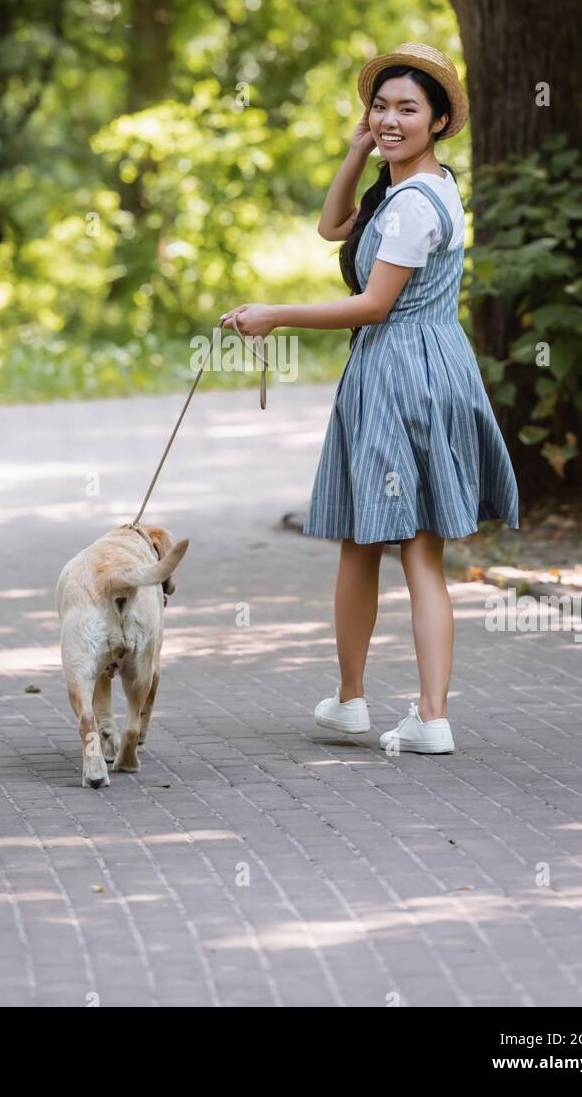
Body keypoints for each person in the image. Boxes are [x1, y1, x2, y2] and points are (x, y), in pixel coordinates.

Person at [220, 42, 519, 756]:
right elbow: (331, 226)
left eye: (406, 109)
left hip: (396, 372)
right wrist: (358, 153)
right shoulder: (422, 189)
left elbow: (374, 305)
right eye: (379, 106)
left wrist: (274, 313)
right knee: (388, 541)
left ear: (440, 119)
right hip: (436, 364)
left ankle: (409, 710)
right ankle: (375, 706)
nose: (389, 118)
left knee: (393, 544)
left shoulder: (413, 205)